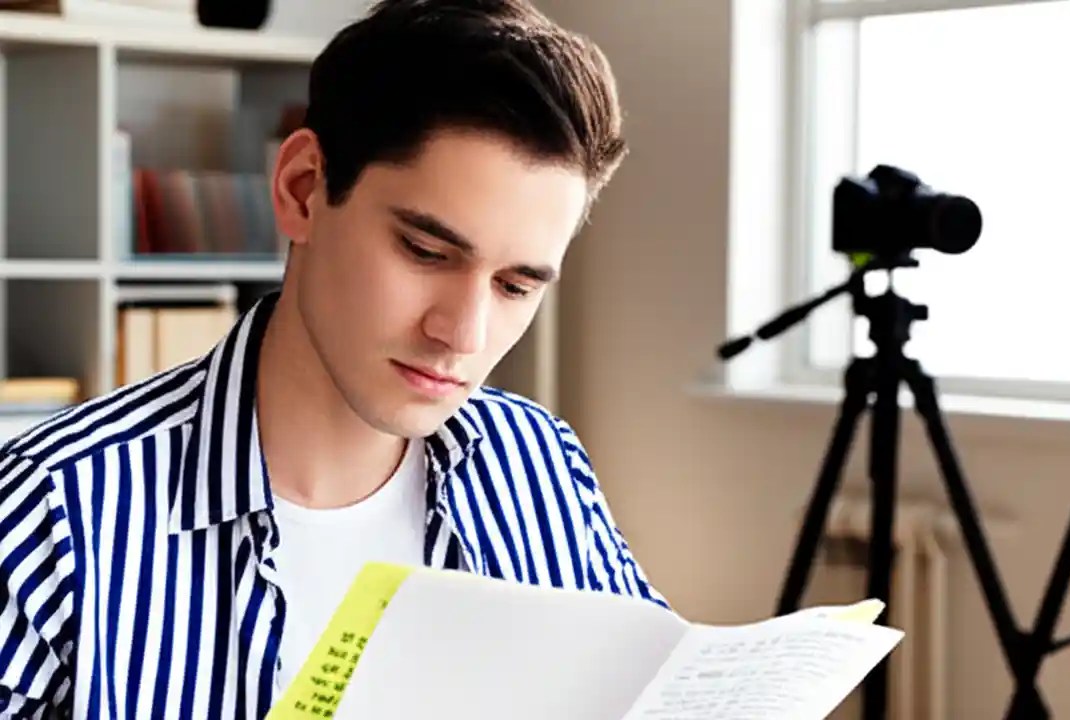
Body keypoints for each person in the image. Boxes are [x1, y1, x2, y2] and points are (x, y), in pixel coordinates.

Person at [0, 1, 666, 717]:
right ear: (302, 189)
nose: (464, 334)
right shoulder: (53, 511)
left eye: (515, 286)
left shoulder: (539, 467)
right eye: (426, 252)